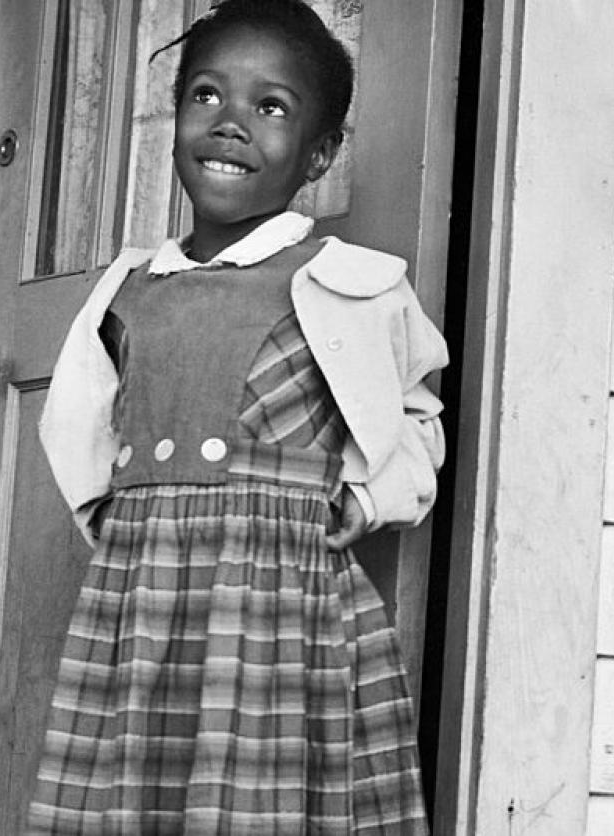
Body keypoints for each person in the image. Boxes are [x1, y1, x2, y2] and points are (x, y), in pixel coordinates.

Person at [33, 0, 447, 832]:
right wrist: (115, 519)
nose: (230, 124)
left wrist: (365, 501)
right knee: (136, 787)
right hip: (146, 595)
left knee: (258, 801)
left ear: (320, 152)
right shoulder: (128, 288)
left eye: (270, 108)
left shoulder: (350, 284)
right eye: (206, 97)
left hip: (280, 604)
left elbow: (416, 412)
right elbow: (79, 419)